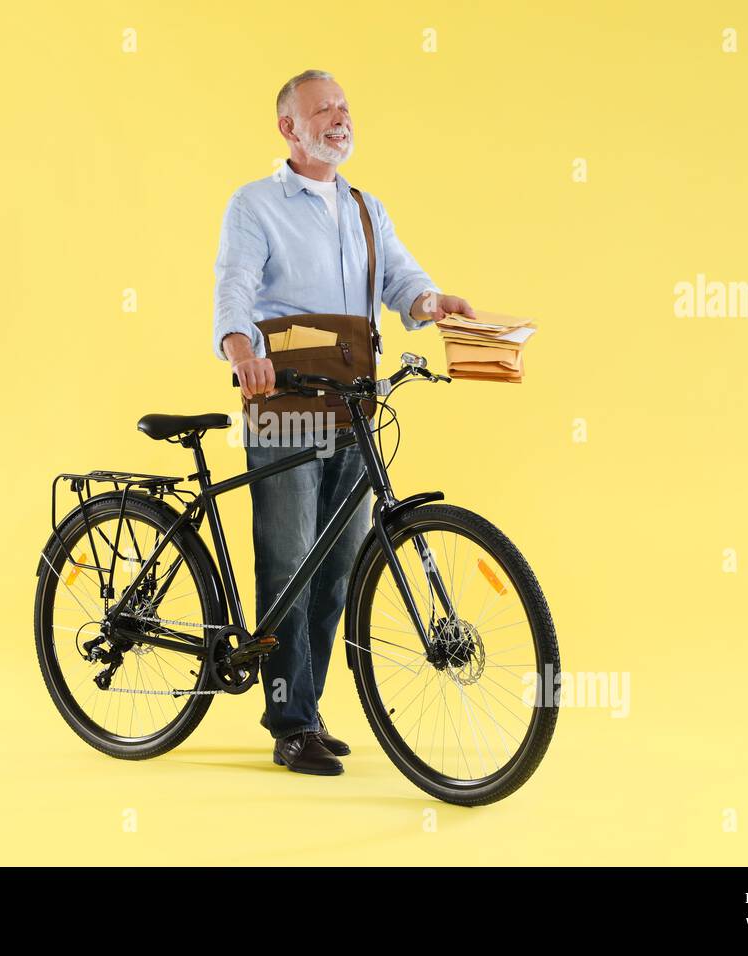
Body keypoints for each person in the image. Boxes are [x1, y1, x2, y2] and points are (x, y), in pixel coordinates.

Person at [212, 69, 476, 775]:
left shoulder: (366, 208)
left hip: (355, 407)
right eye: (321, 109)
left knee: (337, 570)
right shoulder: (255, 204)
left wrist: (431, 301)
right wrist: (240, 347)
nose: (338, 117)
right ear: (288, 128)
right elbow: (234, 284)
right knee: (288, 564)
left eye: (344, 107)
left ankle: (309, 706)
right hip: (286, 405)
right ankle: (288, 720)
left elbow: (401, 282)